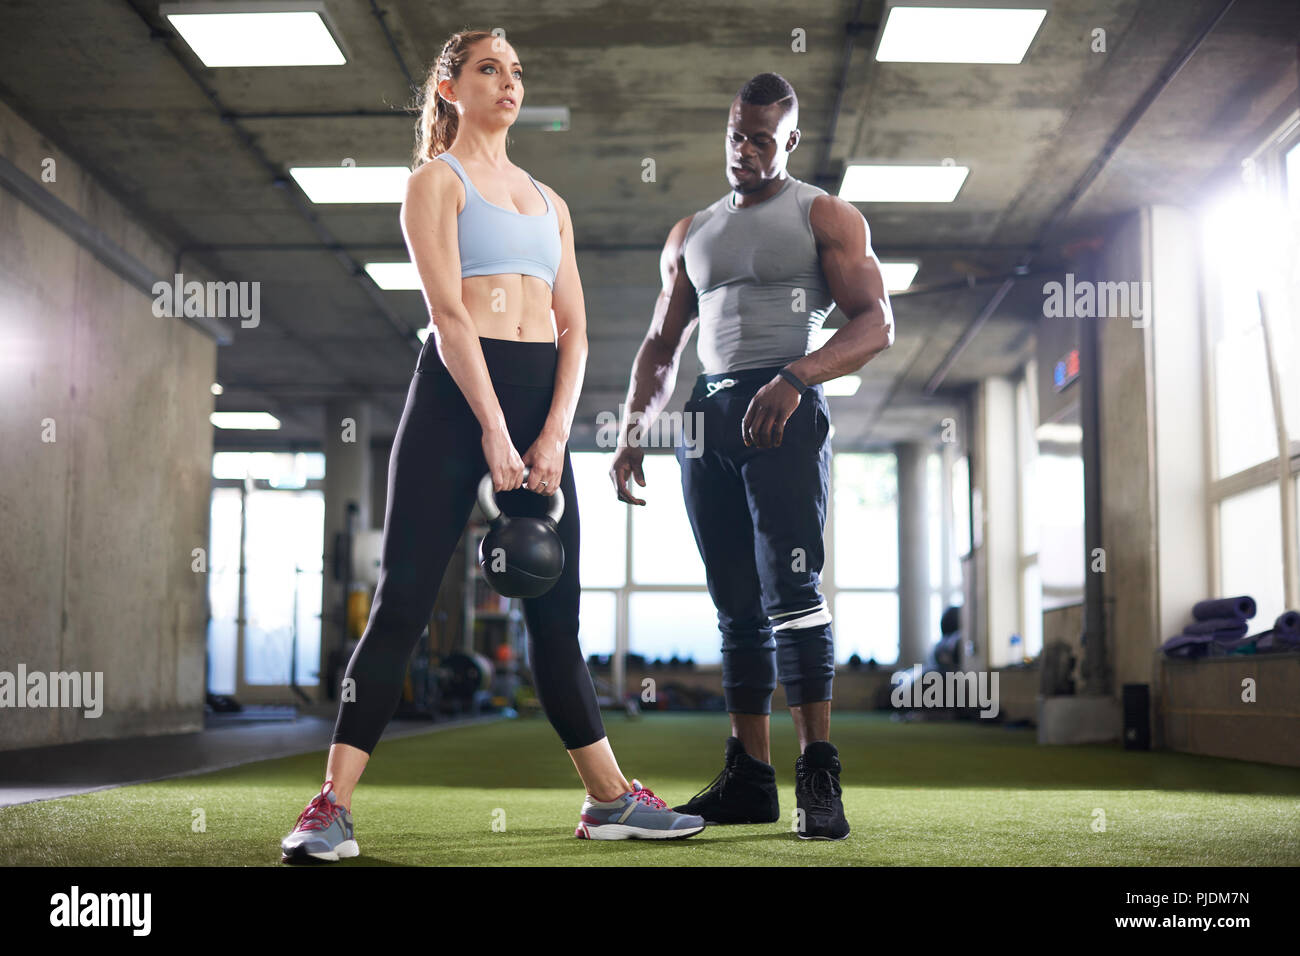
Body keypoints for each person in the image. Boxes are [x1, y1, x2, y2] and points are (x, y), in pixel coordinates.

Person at [280, 29, 705, 862]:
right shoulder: (435, 184)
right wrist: (493, 430)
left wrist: (550, 435)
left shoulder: (552, 203)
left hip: (540, 399)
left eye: (515, 72)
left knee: (557, 615)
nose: (508, 83)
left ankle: (610, 799)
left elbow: (576, 332)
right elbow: (448, 317)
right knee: (401, 599)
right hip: (453, 394)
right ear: (450, 88)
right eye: (488, 69)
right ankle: (330, 806)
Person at [610, 73, 894, 841]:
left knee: (791, 587)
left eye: (762, 137)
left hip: (786, 410)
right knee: (734, 601)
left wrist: (797, 376)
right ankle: (749, 776)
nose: (744, 148)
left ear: (790, 140)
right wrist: (637, 426)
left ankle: (818, 773)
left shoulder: (823, 214)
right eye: (736, 133)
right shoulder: (691, 231)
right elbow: (662, 345)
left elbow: (875, 324)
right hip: (708, 417)